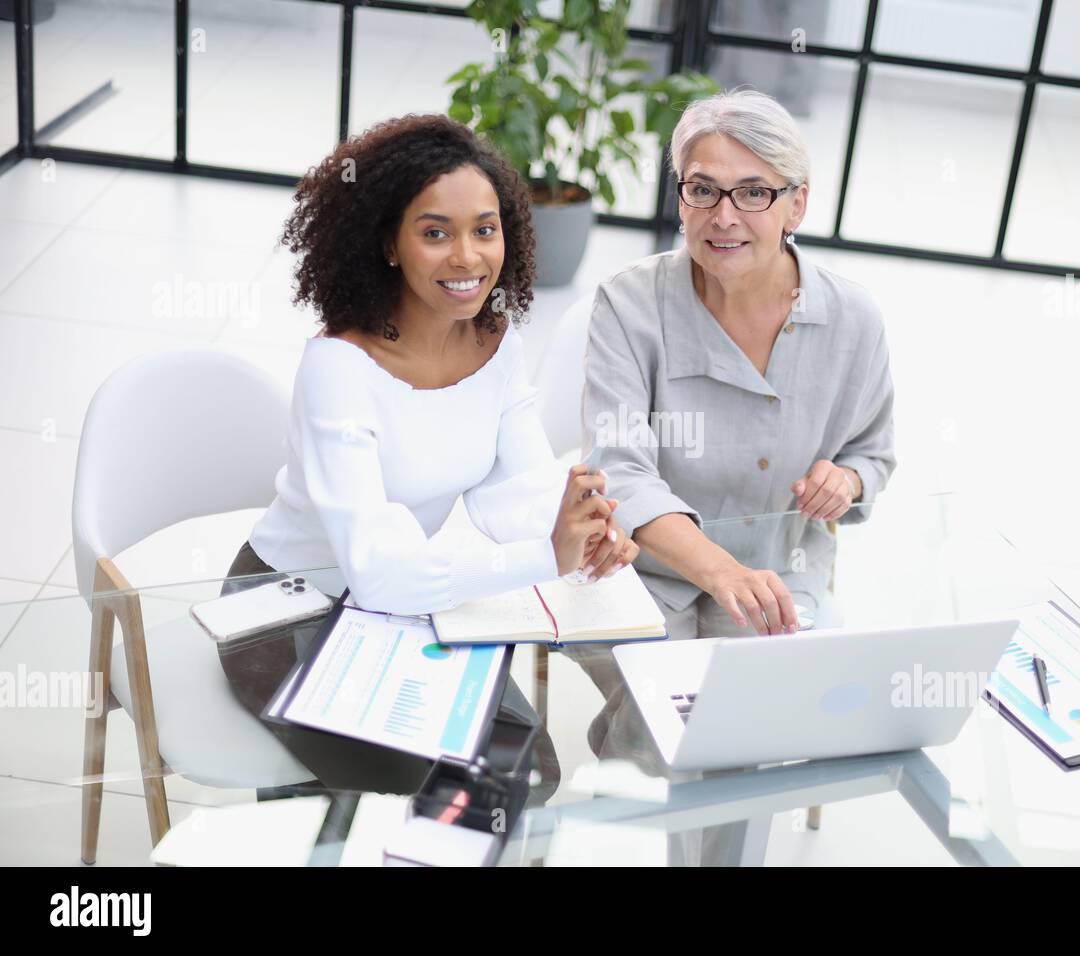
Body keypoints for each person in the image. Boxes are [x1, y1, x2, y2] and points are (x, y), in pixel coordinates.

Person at [216, 114, 637, 799]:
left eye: (484, 229)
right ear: (389, 243)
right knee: (441, 784)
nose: (467, 257)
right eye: (436, 233)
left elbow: (516, 491)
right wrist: (546, 555)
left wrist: (582, 528)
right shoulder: (340, 367)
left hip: (396, 606)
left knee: (525, 773)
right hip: (285, 606)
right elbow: (378, 572)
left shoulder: (497, 343)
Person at [571, 88, 897, 773]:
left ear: (796, 205)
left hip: (779, 570)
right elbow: (619, 470)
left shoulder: (853, 318)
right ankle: (638, 798)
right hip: (639, 568)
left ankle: (650, 802)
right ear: (681, 197)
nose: (724, 217)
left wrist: (846, 480)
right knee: (661, 718)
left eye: (753, 193)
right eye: (703, 190)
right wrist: (721, 572)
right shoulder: (628, 304)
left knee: (743, 726)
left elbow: (873, 454)